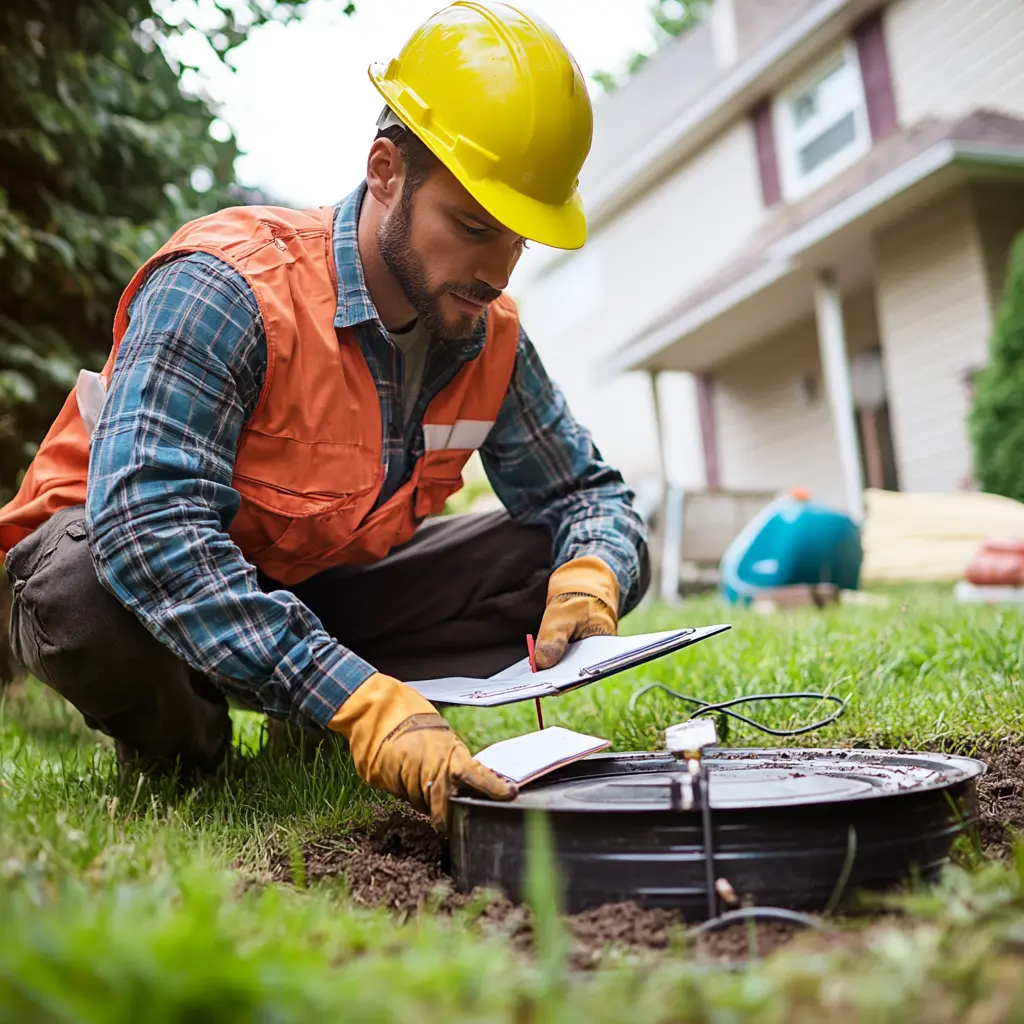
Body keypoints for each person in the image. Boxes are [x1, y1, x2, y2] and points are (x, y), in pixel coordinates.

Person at [0, 1, 649, 832]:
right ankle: (189, 749)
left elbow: (588, 498)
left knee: (547, 556)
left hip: (307, 582)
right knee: (79, 590)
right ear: (386, 171)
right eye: (473, 225)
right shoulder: (228, 287)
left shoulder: (488, 334)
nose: (495, 269)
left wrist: (592, 576)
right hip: (123, 579)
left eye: (518, 238)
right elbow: (147, 528)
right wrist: (358, 701)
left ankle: (313, 707)